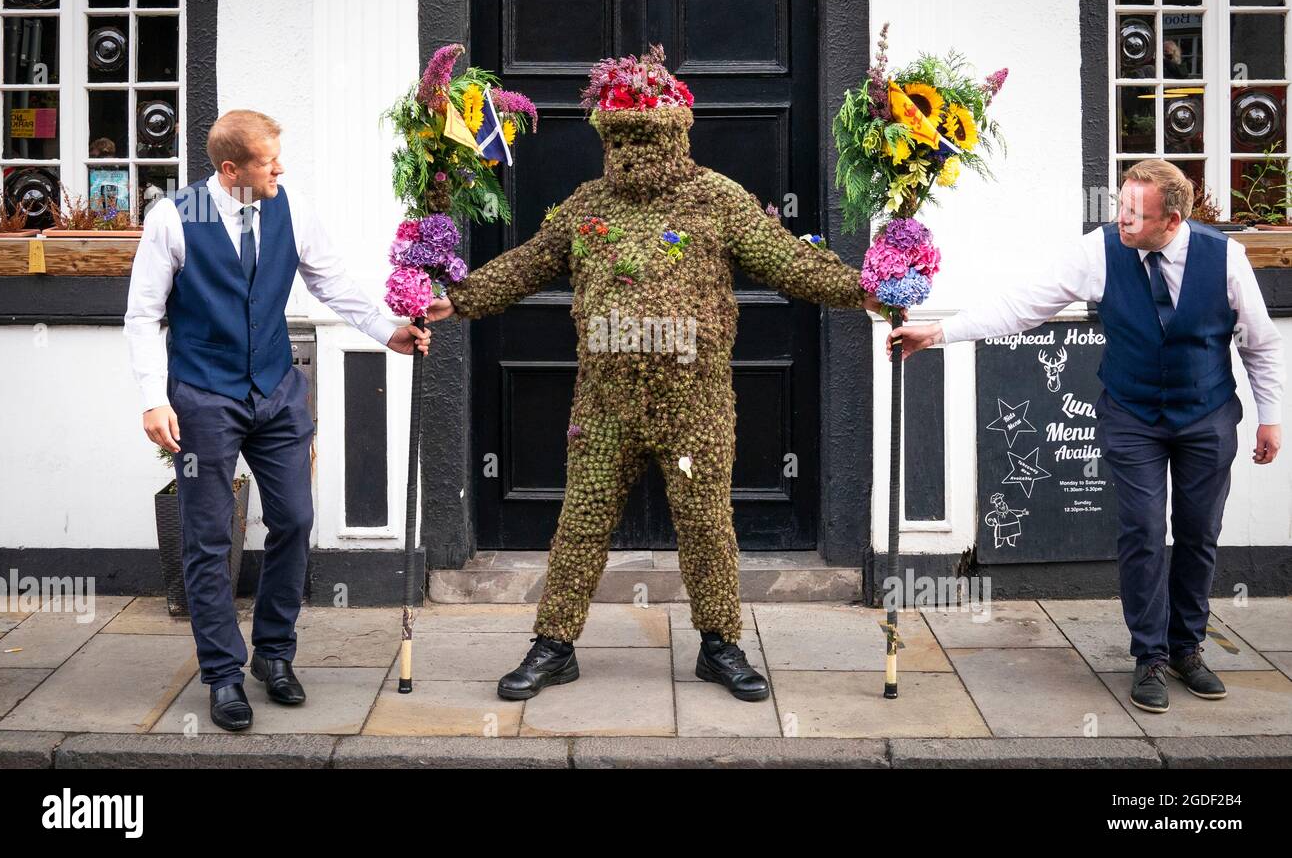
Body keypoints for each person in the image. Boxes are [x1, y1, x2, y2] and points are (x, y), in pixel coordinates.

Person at [428, 46, 891, 703]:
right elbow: (527, 263)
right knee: (581, 524)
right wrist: (458, 298)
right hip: (604, 408)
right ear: (604, 136)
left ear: (679, 130)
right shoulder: (585, 206)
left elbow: (789, 262)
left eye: (647, 134)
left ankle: (720, 645)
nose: (634, 149)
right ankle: (554, 645)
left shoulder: (716, 201)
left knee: (705, 524)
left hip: (694, 411)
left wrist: (863, 290)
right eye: (621, 137)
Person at [889, 159, 1284, 714]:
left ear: (1171, 221)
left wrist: (1269, 416)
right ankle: (1148, 654)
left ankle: (1187, 649)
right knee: (1144, 530)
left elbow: (1260, 343)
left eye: (1133, 213)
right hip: (1132, 416)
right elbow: (1024, 305)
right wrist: (940, 332)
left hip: (1206, 415)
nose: (1119, 219)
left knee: (1199, 533)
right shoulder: (1099, 251)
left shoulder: (1225, 259)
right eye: (1119, 205)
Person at [125, 109, 430, 731]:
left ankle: (273, 653)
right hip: (204, 398)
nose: (281, 169)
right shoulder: (174, 218)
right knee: (209, 538)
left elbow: (330, 281)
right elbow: (142, 314)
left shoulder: (291, 209)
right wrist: (154, 398)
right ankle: (221, 674)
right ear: (232, 169)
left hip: (277, 391)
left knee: (294, 518)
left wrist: (387, 331)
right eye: (269, 161)